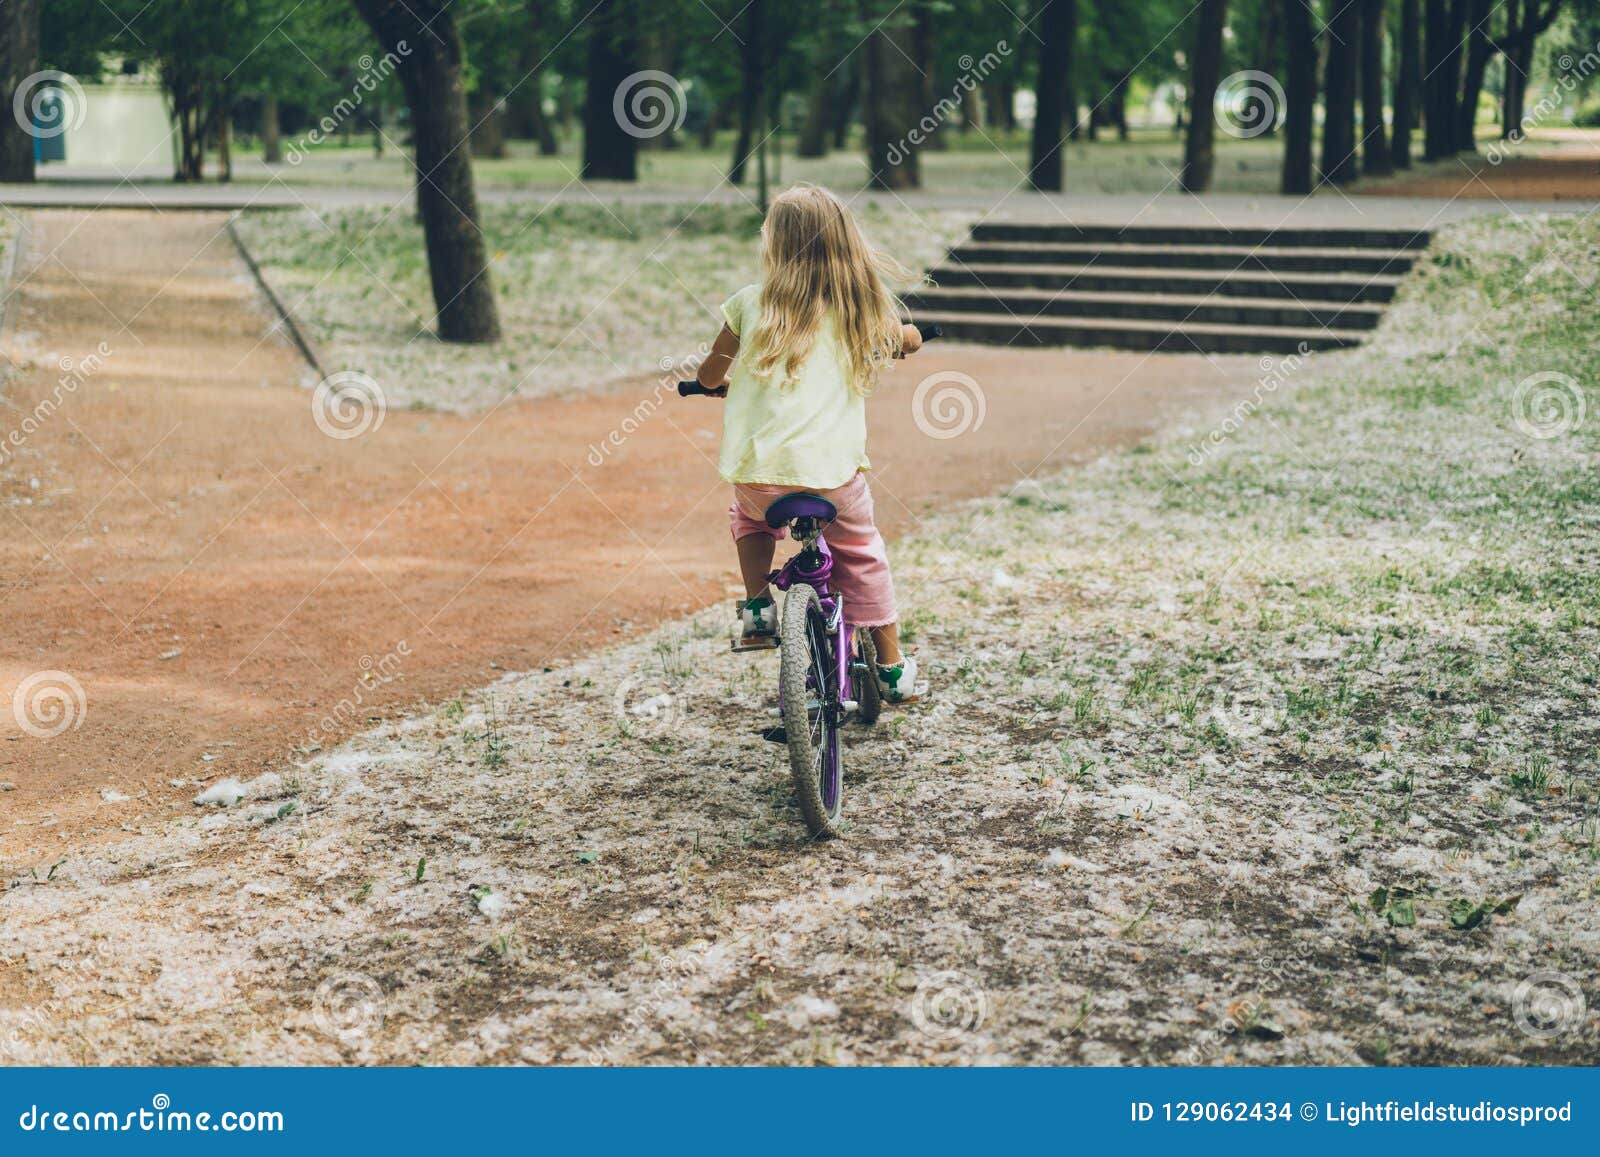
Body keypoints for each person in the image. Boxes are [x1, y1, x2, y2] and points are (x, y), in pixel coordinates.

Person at [692, 184, 924, 703]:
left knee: (749, 521)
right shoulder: (855, 310)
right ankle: (890, 666)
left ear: (773, 244)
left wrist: (713, 384)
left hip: (759, 479)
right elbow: (903, 338)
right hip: (833, 480)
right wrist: (911, 338)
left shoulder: (749, 305)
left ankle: (756, 608)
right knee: (863, 553)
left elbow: (710, 373)